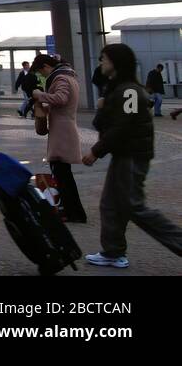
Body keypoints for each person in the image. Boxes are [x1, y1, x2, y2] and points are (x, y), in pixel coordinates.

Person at [82, 43, 182, 268]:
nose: (101, 63)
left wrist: (95, 152)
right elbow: (103, 123)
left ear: (116, 62)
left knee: (134, 207)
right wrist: (103, 106)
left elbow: (122, 127)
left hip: (132, 156)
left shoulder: (128, 91)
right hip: (124, 155)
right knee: (110, 204)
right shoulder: (116, 88)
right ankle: (112, 252)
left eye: (104, 59)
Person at [30, 53, 86, 223]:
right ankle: (73, 212)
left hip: (62, 131)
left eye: (41, 72)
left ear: (46, 66)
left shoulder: (60, 78)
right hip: (64, 129)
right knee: (63, 174)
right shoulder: (68, 76)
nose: (43, 75)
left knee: (62, 175)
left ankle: (74, 213)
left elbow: (61, 98)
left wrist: (39, 95)